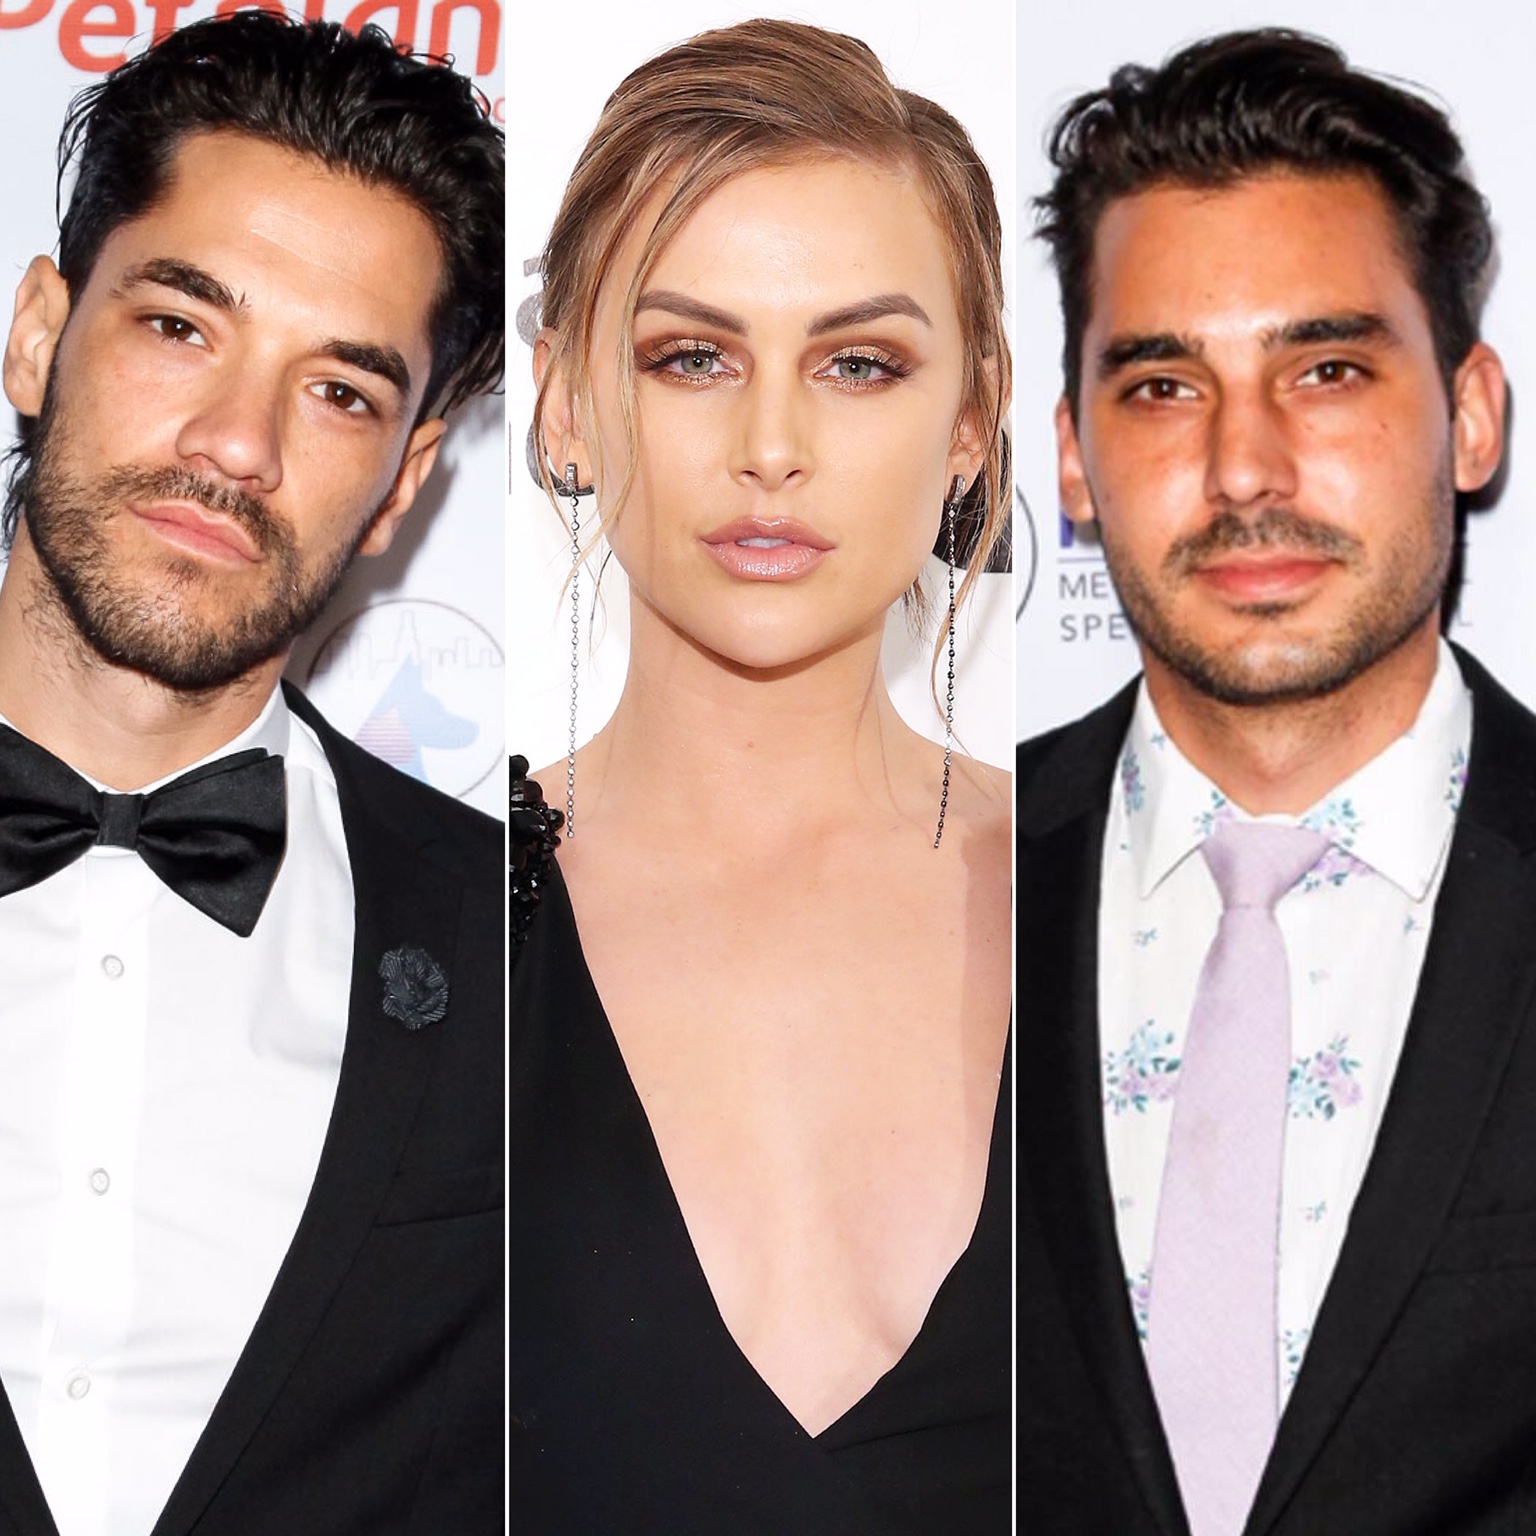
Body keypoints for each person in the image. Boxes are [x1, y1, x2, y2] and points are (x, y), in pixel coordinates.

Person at [1016, 27, 1536, 1536]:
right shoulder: (911, 897)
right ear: (1072, 457)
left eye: (1326, 370)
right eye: (1163, 386)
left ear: (1472, 415)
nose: (1245, 467)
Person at [0, 16, 504, 1534]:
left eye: (340, 390)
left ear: (406, 481)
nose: (236, 445)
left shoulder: (540, 963)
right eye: (180, 326)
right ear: (39, 335)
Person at [508, 19, 1012, 1530]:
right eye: (691, 356)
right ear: (566, 402)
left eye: (858, 363)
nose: (772, 444)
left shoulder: (1126, 895)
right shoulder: (412, 918)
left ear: (971, 422)